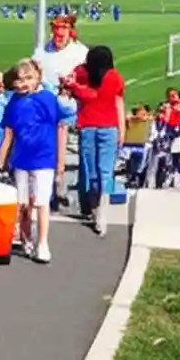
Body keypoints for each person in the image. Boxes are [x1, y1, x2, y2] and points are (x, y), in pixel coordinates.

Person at [0, 59, 67, 263]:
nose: (23, 84)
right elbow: (8, 133)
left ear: (38, 78)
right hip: (21, 159)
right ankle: (26, 237)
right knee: (23, 203)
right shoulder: (14, 103)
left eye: (28, 79)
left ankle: (42, 242)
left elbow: (60, 127)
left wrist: (60, 162)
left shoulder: (47, 99)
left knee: (42, 202)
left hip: (44, 158)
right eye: (20, 80)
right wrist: (0, 162)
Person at [63, 46, 125, 237]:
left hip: (93, 126)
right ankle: (99, 211)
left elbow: (84, 93)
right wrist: (121, 129)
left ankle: (97, 210)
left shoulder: (84, 73)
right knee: (101, 172)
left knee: (95, 172)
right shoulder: (112, 76)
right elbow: (118, 103)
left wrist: (72, 86)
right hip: (103, 127)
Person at [31, 14, 88, 93]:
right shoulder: (40, 54)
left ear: (70, 31)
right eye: (56, 28)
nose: (59, 32)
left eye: (64, 28)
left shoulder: (82, 53)